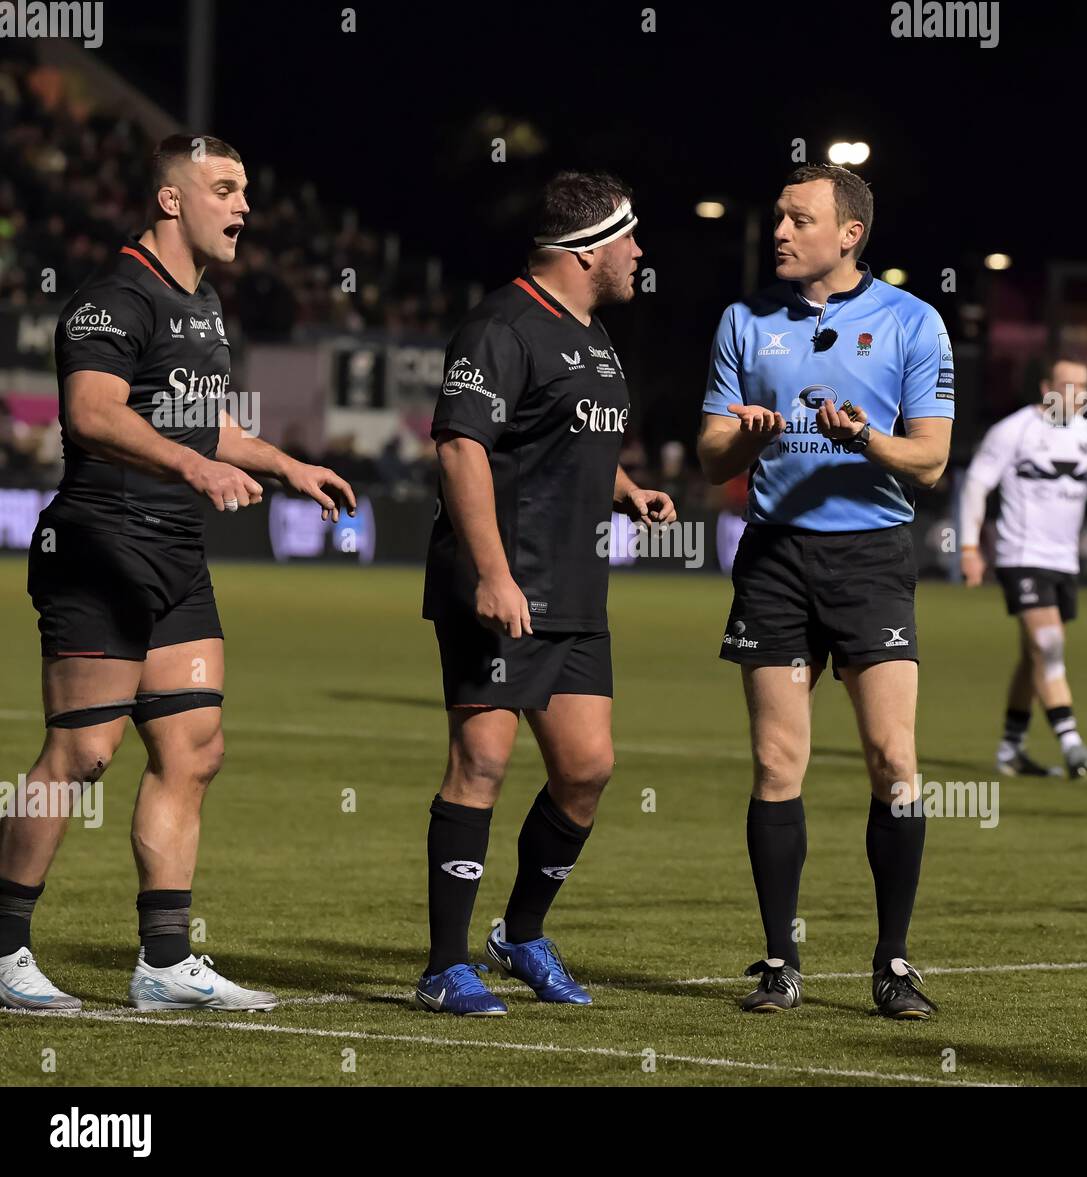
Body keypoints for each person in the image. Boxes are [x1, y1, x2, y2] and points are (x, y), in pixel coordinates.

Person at [0, 134, 355, 1013]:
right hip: (99, 545)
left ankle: (164, 961)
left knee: (193, 751)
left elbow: (210, 422)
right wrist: (191, 467)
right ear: (171, 200)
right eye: (224, 189)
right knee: (83, 750)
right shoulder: (112, 298)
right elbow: (89, 414)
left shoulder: (202, 304)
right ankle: (3, 946)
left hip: (173, 556)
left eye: (245, 189)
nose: (242, 206)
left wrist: (284, 463)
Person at [697, 165, 954, 1019]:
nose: (778, 230)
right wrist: (746, 439)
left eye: (797, 218)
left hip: (873, 559)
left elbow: (930, 459)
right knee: (777, 762)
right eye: (776, 215)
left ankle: (894, 960)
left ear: (849, 234)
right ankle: (780, 959)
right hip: (774, 558)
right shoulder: (744, 319)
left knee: (894, 762)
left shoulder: (913, 322)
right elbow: (710, 455)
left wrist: (865, 439)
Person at [418, 172, 675, 1015]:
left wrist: (626, 488)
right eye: (630, 239)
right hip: (502, 585)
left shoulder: (593, 335)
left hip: (573, 590)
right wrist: (492, 572)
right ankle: (443, 966)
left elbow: (564, 439)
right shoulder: (503, 324)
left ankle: (520, 933)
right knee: (482, 761)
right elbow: (462, 448)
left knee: (587, 768)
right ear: (588, 250)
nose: (640, 253)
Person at [959, 356, 1087, 778]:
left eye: (1083, 386)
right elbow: (976, 485)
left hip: (1064, 563)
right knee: (1048, 645)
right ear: (1047, 386)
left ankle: (1010, 750)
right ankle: (1071, 742)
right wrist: (970, 547)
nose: (1077, 394)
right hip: (1022, 557)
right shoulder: (1014, 431)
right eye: (1068, 385)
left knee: (1033, 657)